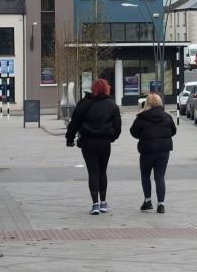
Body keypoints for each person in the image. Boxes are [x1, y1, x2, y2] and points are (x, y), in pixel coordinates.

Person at [65, 79, 121, 215]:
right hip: (104, 143)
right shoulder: (111, 104)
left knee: (93, 172)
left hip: (88, 142)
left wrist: (69, 139)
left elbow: (74, 123)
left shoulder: (84, 103)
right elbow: (117, 126)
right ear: (106, 88)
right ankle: (104, 202)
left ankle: (95, 204)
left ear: (93, 88)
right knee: (103, 171)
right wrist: (111, 137)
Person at [130, 93, 177, 214]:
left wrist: (144, 135)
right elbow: (173, 131)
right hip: (163, 151)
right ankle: (161, 204)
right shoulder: (167, 116)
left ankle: (147, 201)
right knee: (159, 177)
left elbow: (133, 132)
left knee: (145, 176)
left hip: (147, 151)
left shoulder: (141, 117)